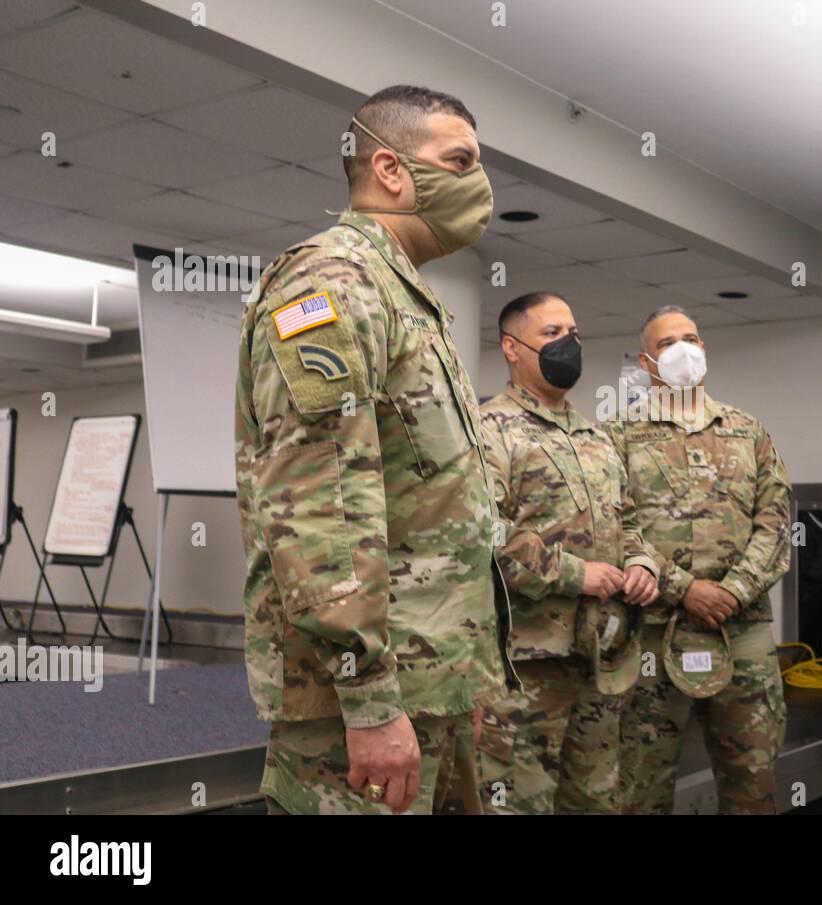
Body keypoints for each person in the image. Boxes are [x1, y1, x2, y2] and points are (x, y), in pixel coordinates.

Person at [234, 84, 515, 815]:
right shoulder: (332, 280)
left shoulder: (406, 296)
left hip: (430, 684)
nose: (480, 183)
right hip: (361, 702)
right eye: (461, 161)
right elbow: (318, 504)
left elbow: (432, 506)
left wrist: (461, 680)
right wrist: (368, 696)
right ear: (391, 169)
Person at [476, 291, 660, 814]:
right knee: (521, 802)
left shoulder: (595, 437)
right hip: (527, 665)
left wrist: (641, 564)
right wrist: (576, 575)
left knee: (597, 800)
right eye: (552, 333)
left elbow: (628, 522)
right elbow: (483, 534)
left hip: (600, 658)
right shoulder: (489, 430)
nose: (568, 344)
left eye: (573, 334)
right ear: (511, 348)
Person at [609, 305, 792, 814]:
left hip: (743, 632)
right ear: (646, 362)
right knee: (642, 783)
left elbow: (776, 523)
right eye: (667, 343)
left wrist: (733, 591)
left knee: (753, 781)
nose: (682, 350)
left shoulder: (748, 430)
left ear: (704, 349)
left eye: (690, 339)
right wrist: (683, 587)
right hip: (653, 634)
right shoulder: (619, 436)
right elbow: (615, 527)